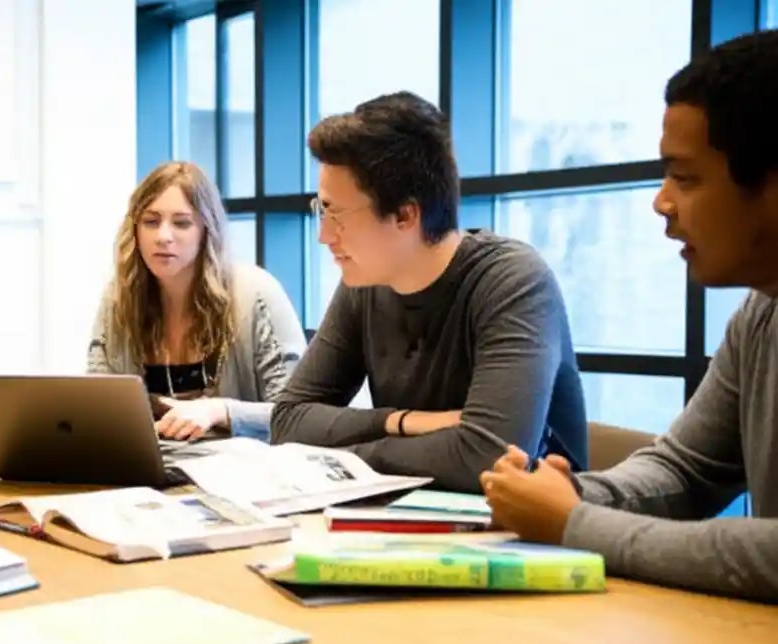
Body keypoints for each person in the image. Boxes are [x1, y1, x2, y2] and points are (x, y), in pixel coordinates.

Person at [480, 30, 778, 603]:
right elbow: (684, 471)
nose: (661, 202)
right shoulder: (760, 312)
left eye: (686, 178)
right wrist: (565, 494)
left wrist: (573, 523)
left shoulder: (510, 276)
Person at [271, 92, 587, 492]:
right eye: (322, 209)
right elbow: (287, 420)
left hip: (525, 538)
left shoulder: (513, 281)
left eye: (336, 213)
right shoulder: (366, 283)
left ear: (406, 214)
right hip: (409, 522)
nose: (323, 235)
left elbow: (486, 458)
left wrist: (341, 461)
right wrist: (402, 421)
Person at [87, 161, 306, 441]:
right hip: (149, 471)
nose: (164, 236)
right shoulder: (119, 297)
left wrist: (220, 411)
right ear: (135, 231)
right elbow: (96, 406)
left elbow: (298, 416)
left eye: (182, 223)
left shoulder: (257, 294)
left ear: (207, 230)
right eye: (151, 222)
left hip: (241, 474)